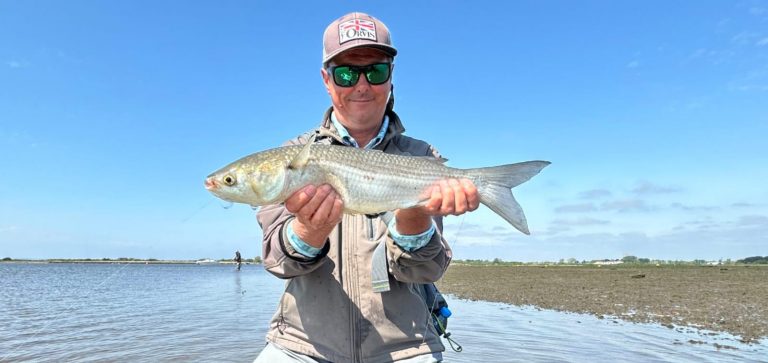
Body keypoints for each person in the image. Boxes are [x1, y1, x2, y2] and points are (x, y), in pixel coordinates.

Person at [255, 12, 479, 363]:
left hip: (407, 345)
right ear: (327, 80)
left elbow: (424, 271)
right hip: (303, 344)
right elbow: (278, 262)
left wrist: (414, 214)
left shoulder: (422, 156)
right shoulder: (292, 155)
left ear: (391, 77)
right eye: (346, 73)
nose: (361, 85)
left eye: (375, 71)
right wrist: (308, 231)